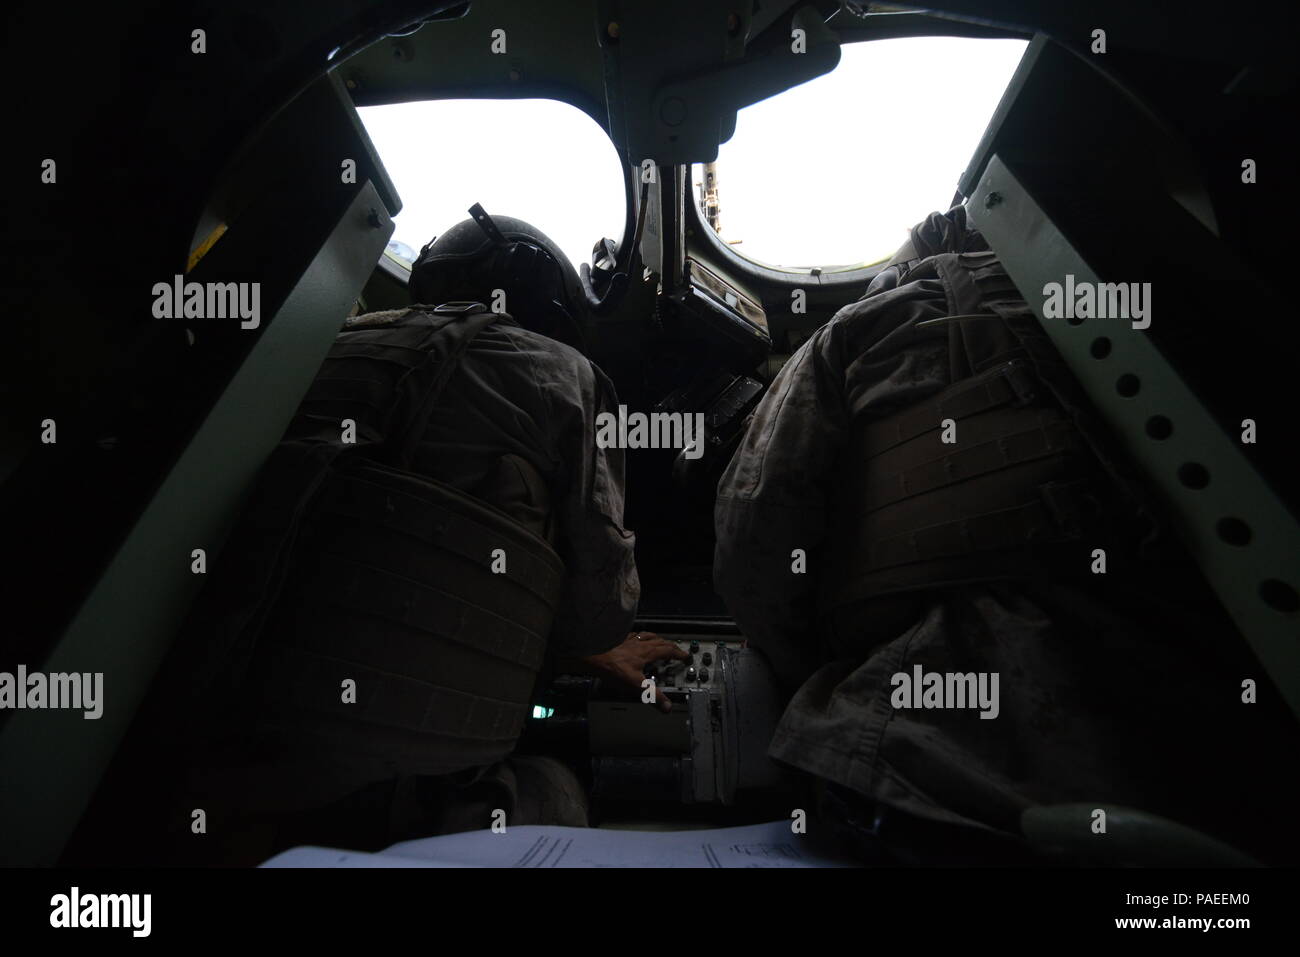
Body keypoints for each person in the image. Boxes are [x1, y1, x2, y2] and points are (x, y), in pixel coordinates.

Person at [713, 206, 1299, 864]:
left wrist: (813, 673)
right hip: (1228, 794)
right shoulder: (1204, 321)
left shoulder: (875, 322)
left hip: (934, 772)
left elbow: (751, 547)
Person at [170, 207, 684, 861]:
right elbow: (598, 615)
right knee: (556, 788)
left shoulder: (325, 346)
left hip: (215, 747)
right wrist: (575, 645)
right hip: (406, 786)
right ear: (550, 307)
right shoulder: (564, 376)